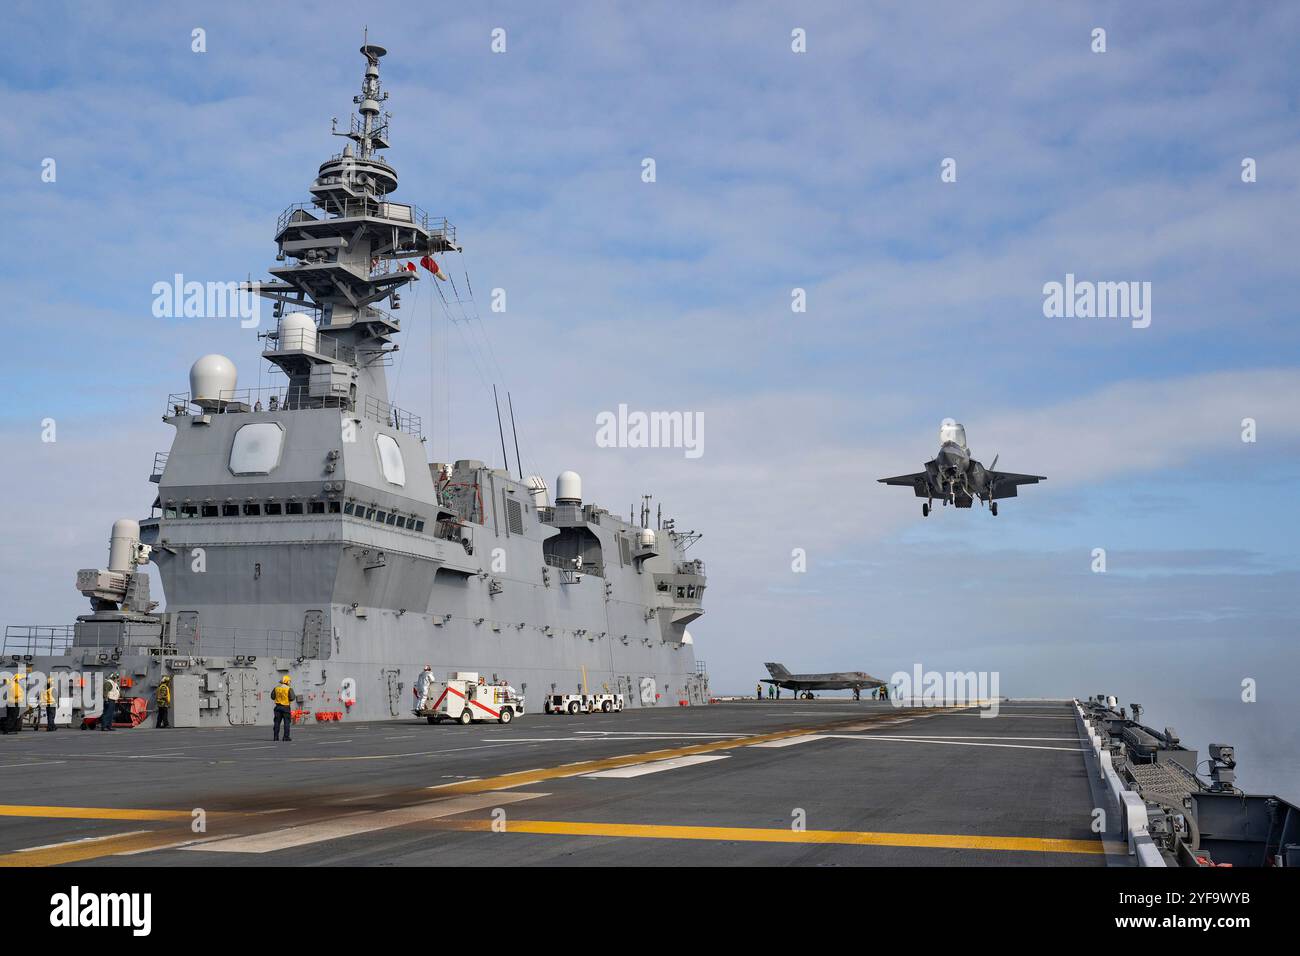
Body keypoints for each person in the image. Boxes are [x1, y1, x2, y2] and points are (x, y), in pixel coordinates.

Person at [272, 674, 295, 742]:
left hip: (277, 707)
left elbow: (272, 697)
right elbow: (292, 698)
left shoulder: (276, 688)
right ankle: (286, 737)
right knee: (286, 723)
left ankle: (275, 737)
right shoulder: (289, 688)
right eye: (289, 681)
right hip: (286, 707)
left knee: (277, 722)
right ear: (287, 682)